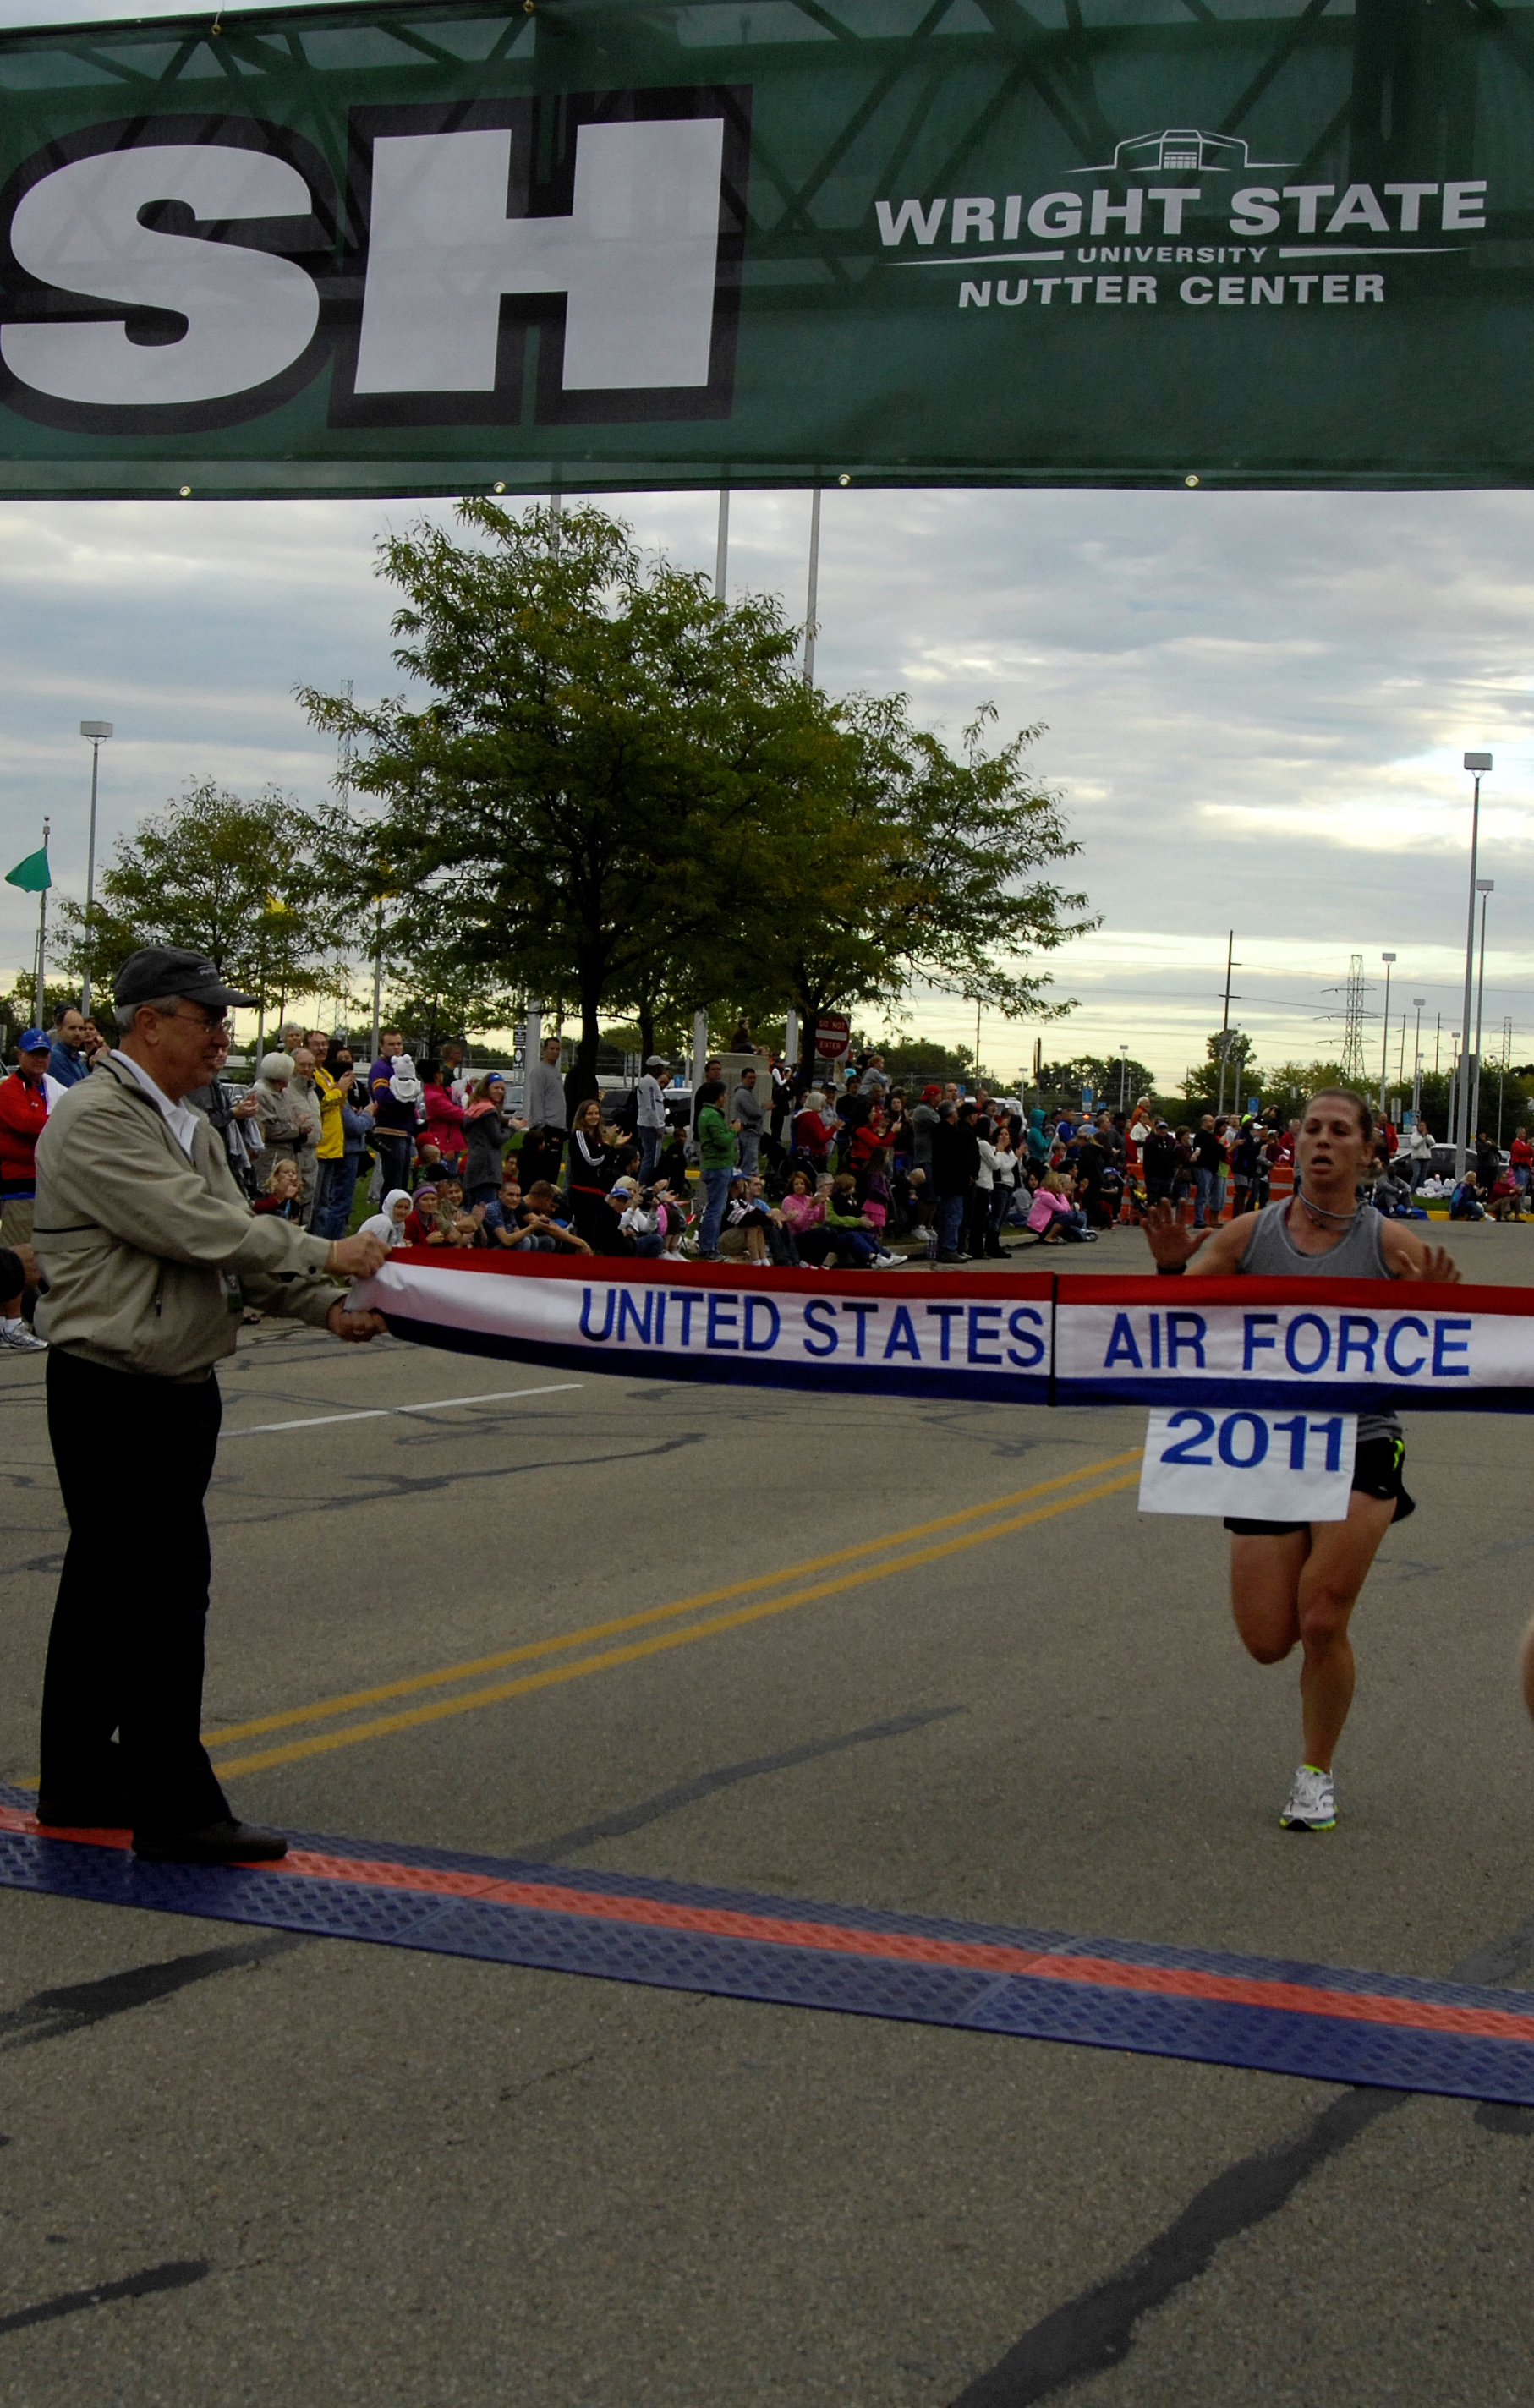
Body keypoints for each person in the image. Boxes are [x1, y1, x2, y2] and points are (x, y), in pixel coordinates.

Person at [31, 946, 387, 1865]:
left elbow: (229, 1259)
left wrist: (321, 1308)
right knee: (161, 1594)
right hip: (117, 1385)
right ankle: (174, 1804)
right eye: (209, 1017)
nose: (224, 1035)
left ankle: (77, 1776)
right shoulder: (96, 1116)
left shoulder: (182, 1122)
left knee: (106, 1590)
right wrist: (326, 1255)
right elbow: (195, 1227)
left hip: (172, 1380)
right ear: (150, 1022)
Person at [1143, 1086, 1461, 1833]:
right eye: (1312, 1129)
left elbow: (1445, 1350)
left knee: (1322, 1617)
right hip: (1269, 1443)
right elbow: (1172, 1327)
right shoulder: (1250, 1234)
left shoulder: (1390, 1245)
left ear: (1367, 1150)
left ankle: (1315, 1773)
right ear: (1296, 1143)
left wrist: (1438, 1312)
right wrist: (1165, 1270)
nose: (1322, 1141)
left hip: (1361, 1438)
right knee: (1266, 1641)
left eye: (1339, 1131)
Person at [0, 1028, 51, 1257]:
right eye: (34, 1054)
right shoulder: (10, 1089)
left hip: (42, 1188)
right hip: (18, 1190)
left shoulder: (47, 1087)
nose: (40, 1059)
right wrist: (64, 1120)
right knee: (19, 1263)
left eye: (44, 1054)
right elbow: (26, 1123)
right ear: (20, 1055)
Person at [566, 1095, 622, 1250]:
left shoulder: (596, 1138)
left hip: (597, 1193)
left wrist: (614, 1148)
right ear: (582, 1116)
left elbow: (604, 1163)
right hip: (583, 1192)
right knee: (586, 1236)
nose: (594, 1117)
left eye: (596, 1113)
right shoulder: (579, 1135)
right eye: (590, 1114)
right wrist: (606, 1144)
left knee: (596, 1235)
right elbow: (592, 1160)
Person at [369, 1029, 416, 1197]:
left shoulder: (403, 1067)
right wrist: (404, 1098)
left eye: (399, 1044)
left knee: (402, 1182)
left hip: (405, 1128)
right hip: (389, 1128)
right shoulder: (381, 1068)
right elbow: (382, 1095)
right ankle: (386, 1219)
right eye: (391, 1044)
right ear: (382, 1046)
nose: (396, 1048)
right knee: (393, 1185)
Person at [694, 1078, 738, 1261]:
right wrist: (734, 1130)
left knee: (714, 1208)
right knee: (715, 1209)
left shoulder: (706, 1113)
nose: (726, 1097)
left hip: (714, 1165)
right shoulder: (712, 1115)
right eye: (724, 1094)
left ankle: (708, 1245)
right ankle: (708, 1247)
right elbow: (722, 1142)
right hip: (718, 1166)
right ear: (719, 1096)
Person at [463, 1074, 515, 1205]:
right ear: (486, 1088)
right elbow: (497, 1139)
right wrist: (512, 1128)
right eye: (496, 1088)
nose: (500, 1092)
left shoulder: (474, 1107)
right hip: (488, 1171)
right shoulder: (488, 1111)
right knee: (487, 1211)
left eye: (502, 1089)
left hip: (474, 1167)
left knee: (472, 1210)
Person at [47, 1002, 108, 1091]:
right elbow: (79, 1092)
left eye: (81, 1029)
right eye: (72, 1028)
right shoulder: (55, 1057)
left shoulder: (77, 1060)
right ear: (59, 1029)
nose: (78, 1033)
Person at [635, 1054, 671, 1184]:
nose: (663, 1070)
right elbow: (651, 1106)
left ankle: (645, 1183)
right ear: (655, 1068)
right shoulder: (649, 1082)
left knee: (651, 1157)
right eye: (661, 1067)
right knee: (652, 1158)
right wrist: (658, 1126)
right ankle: (644, 1184)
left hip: (649, 1125)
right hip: (650, 1126)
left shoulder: (650, 1082)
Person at [731, 1067, 765, 1176]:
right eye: (750, 1078)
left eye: (754, 1078)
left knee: (748, 1163)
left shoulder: (747, 1093)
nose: (753, 1080)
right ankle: (747, 1187)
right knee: (749, 1165)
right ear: (743, 1078)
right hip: (747, 1134)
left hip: (749, 1134)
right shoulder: (743, 1093)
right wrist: (763, 1108)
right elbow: (754, 1112)